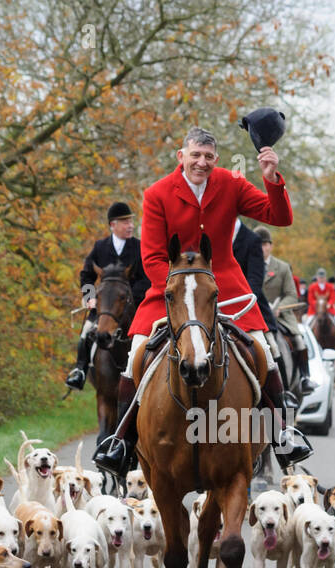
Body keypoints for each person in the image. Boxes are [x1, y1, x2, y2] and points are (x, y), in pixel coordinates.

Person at [92, 127, 313, 478]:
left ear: (216, 160)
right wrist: (180, 292)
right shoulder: (157, 193)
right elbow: (151, 258)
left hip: (225, 285)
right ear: (182, 156)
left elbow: (279, 217)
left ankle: (281, 433)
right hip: (171, 288)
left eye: (209, 157)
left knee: (265, 349)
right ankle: (121, 441)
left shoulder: (231, 183)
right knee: (135, 354)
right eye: (195, 155)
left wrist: (272, 179)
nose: (202, 162)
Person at [66, 202, 151, 390]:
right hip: (104, 308)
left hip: (133, 307)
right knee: (86, 333)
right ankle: (80, 371)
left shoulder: (140, 247)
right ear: (112, 225)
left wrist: (130, 300)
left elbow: (146, 279)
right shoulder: (100, 247)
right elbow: (86, 274)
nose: (130, 225)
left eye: (130, 221)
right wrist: (90, 298)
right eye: (124, 222)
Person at [256, 226, 316, 395]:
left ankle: (305, 377)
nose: (262, 248)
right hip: (255, 315)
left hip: (280, 315)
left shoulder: (282, 268)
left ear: (270, 246)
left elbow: (291, 294)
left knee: (298, 340)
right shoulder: (247, 266)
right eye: (259, 245)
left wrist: (279, 307)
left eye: (265, 244)